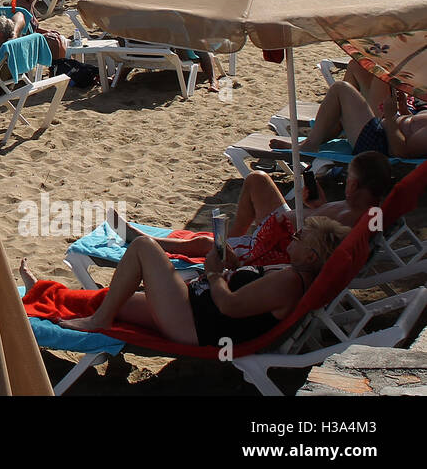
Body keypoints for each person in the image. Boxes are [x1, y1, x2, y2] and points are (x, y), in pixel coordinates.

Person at [25, 214, 349, 346]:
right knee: (110, 298)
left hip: (195, 324)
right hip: (194, 307)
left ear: (311, 257)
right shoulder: (291, 274)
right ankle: (36, 293)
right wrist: (232, 266)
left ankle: (99, 321)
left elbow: (232, 306)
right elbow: (246, 293)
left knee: (143, 248)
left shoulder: (290, 282)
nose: (297, 233)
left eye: (304, 237)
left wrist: (212, 272)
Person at [117, 151, 391, 268]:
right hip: (283, 229)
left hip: (280, 247)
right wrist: (316, 206)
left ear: (352, 183)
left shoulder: (352, 218)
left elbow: (315, 247)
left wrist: (300, 218)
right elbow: (322, 227)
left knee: (204, 243)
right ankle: (234, 241)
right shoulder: (365, 211)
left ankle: (144, 240)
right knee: (257, 179)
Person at [272, 65, 427, 160]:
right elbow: (412, 126)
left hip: (377, 144)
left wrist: (392, 117)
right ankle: (311, 141)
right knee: (353, 70)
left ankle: (310, 144)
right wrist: (402, 107)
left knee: (341, 88)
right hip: (383, 129)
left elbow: (402, 151)